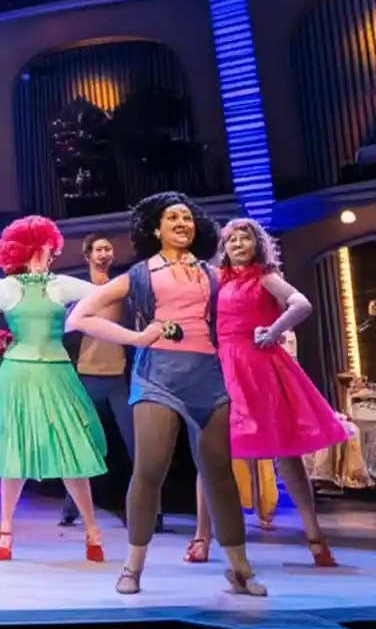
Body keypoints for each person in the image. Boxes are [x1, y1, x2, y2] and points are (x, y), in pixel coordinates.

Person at [67, 191, 266, 596]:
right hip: (157, 376)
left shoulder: (213, 274)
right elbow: (79, 316)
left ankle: (240, 568)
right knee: (149, 470)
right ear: (156, 228)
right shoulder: (141, 273)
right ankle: (132, 566)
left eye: (188, 218)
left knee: (220, 475)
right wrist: (137, 336)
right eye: (172, 217)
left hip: (208, 378)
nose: (181, 223)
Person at [185, 219, 346, 567]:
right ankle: (202, 536)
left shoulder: (264, 277)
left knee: (286, 452)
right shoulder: (216, 280)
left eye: (245, 239)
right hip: (224, 369)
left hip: (261, 369)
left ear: (257, 245)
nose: (238, 244)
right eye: (232, 240)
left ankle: (315, 537)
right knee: (211, 454)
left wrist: (274, 331)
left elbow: (301, 304)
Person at [0, 216, 107, 564]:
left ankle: (92, 529)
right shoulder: (5, 288)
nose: (50, 254)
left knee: (73, 452)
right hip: (18, 374)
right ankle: (5, 527)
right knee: (13, 455)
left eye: (51, 249)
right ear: (27, 249)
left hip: (57, 373)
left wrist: (82, 314)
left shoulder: (61, 285)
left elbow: (105, 294)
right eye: (45, 248)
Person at [57, 233, 142, 528]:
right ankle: (71, 507)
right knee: (83, 444)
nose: (105, 253)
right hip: (84, 378)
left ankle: (146, 511)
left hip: (119, 377)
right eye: (99, 249)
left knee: (136, 446)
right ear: (88, 255)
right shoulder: (77, 291)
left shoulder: (122, 289)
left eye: (109, 248)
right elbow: (64, 330)